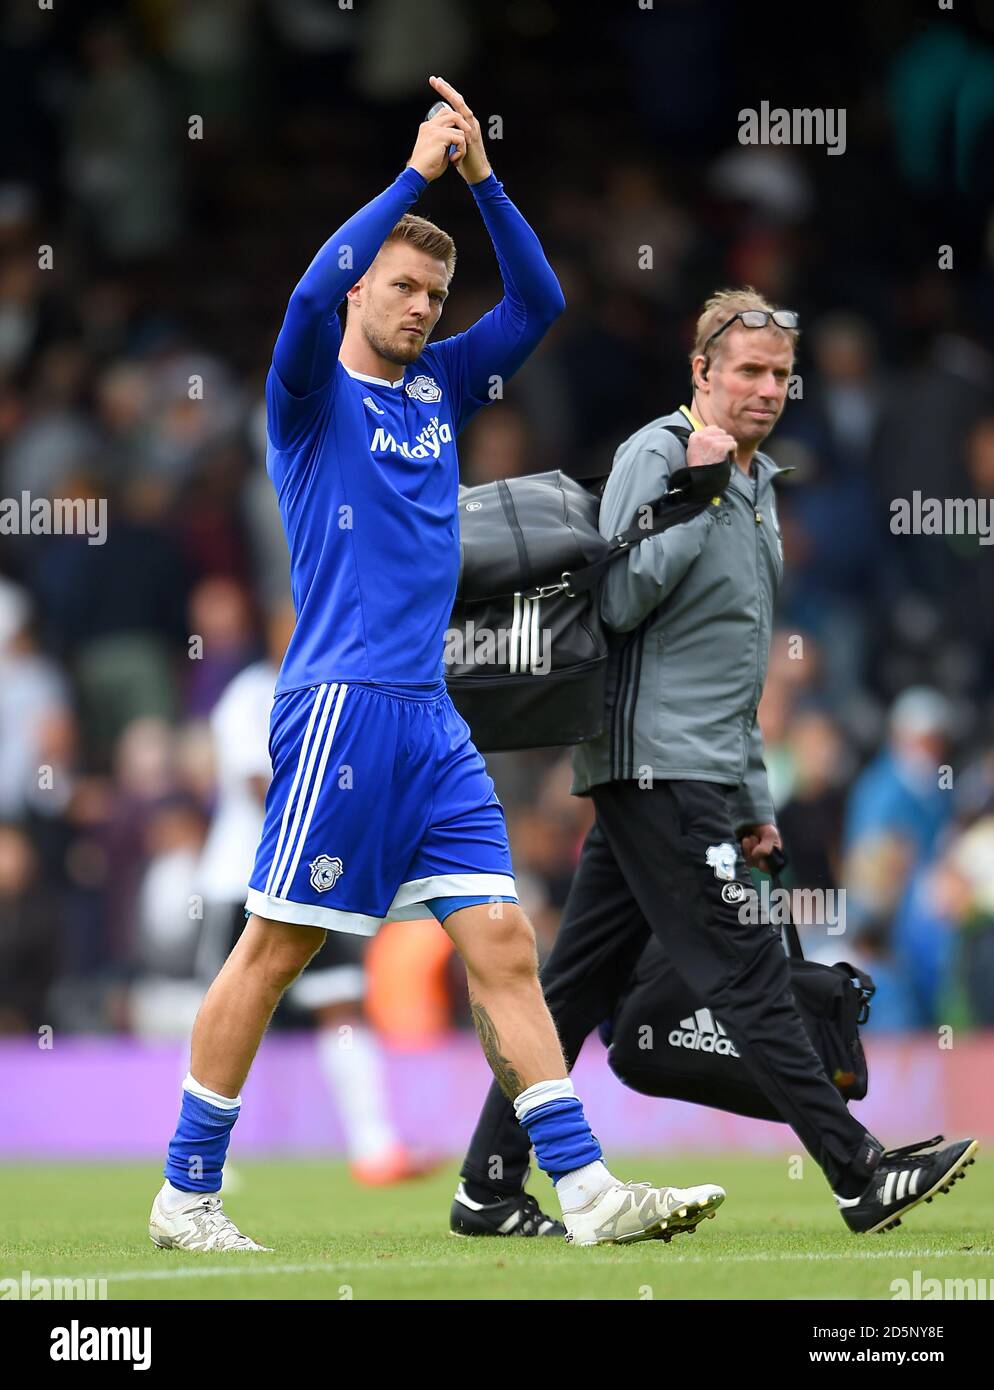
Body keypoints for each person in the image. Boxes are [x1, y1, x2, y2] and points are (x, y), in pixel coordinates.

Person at [148, 78, 725, 1252]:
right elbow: (308, 292)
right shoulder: (308, 395)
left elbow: (540, 299)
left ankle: (587, 1188)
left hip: (431, 715)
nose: (419, 307)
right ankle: (186, 1193)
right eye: (401, 287)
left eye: (432, 293)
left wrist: (481, 181)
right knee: (276, 946)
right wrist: (414, 174)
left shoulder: (440, 383)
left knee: (504, 942)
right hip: (343, 707)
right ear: (362, 287)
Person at [450, 289, 976, 1239]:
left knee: (572, 990)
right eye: (749, 371)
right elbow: (616, 601)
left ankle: (488, 1185)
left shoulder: (760, 481)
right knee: (747, 973)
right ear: (702, 372)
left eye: (780, 374)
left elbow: (737, 671)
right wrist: (694, 494)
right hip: (658, 767)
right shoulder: (658, 453)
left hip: (694, 770)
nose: (767, 388)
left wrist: (757, 801)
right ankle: (859, 1173)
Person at [194, 602, 435, 1186]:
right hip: (243, 878)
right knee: (225, 1004)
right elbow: (260, 786)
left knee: (341, 1004)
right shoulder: (250, 695)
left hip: (316, 876)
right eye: (294, 623)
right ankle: (199, 1154)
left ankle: (375, 1147)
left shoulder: (340, 694)